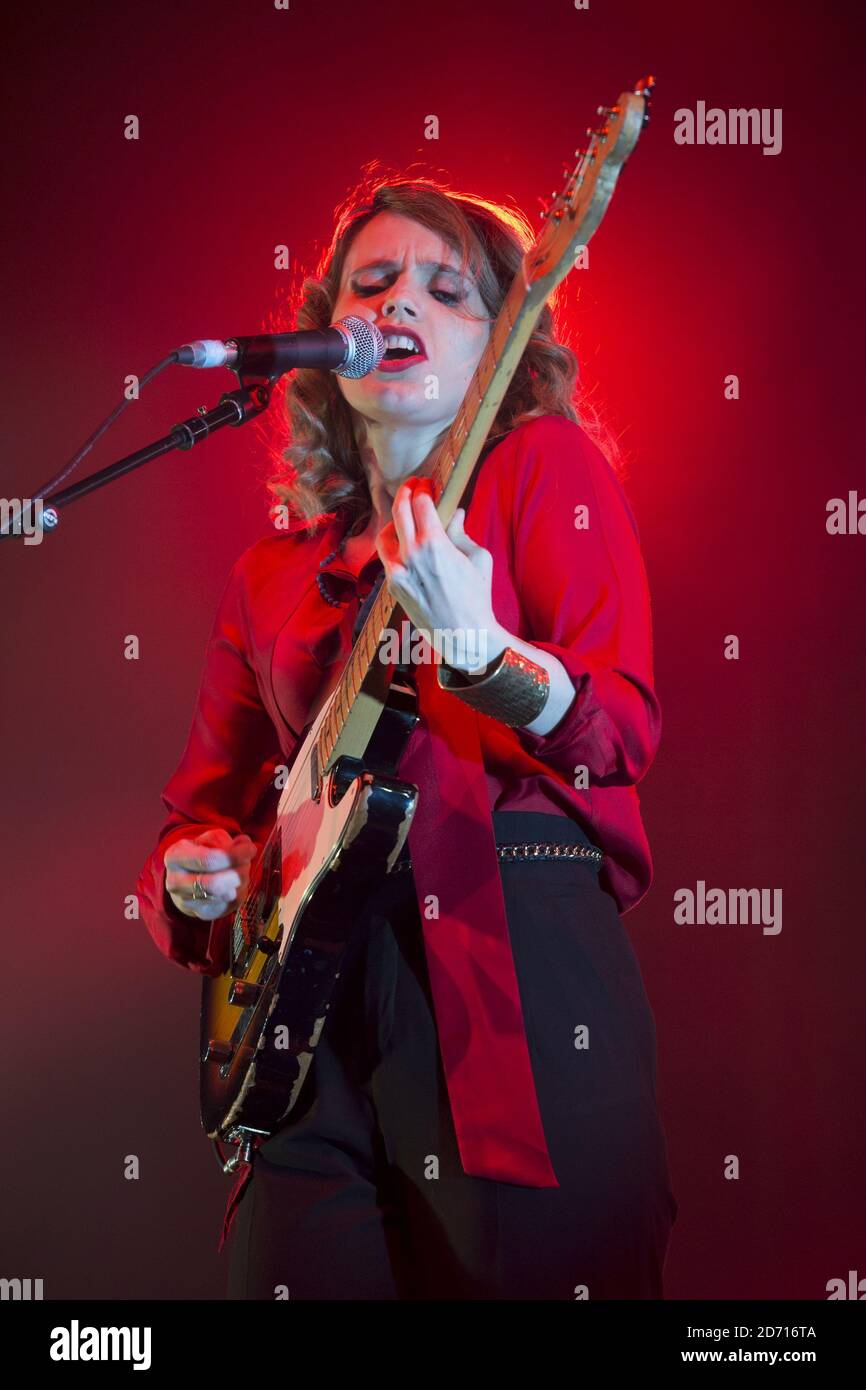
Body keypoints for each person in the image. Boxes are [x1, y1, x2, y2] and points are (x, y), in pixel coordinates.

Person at [136, 171, 678, 1300]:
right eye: (370, 285)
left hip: (502, 953)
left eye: (444, 289)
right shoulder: (270, 574)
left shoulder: (543, 470)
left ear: (501, 345)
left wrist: (479, 653)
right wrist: (190, 878)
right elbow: (210, 810)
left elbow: (618, 724)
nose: (397, 306)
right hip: (303, 1016)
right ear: (326, 338)